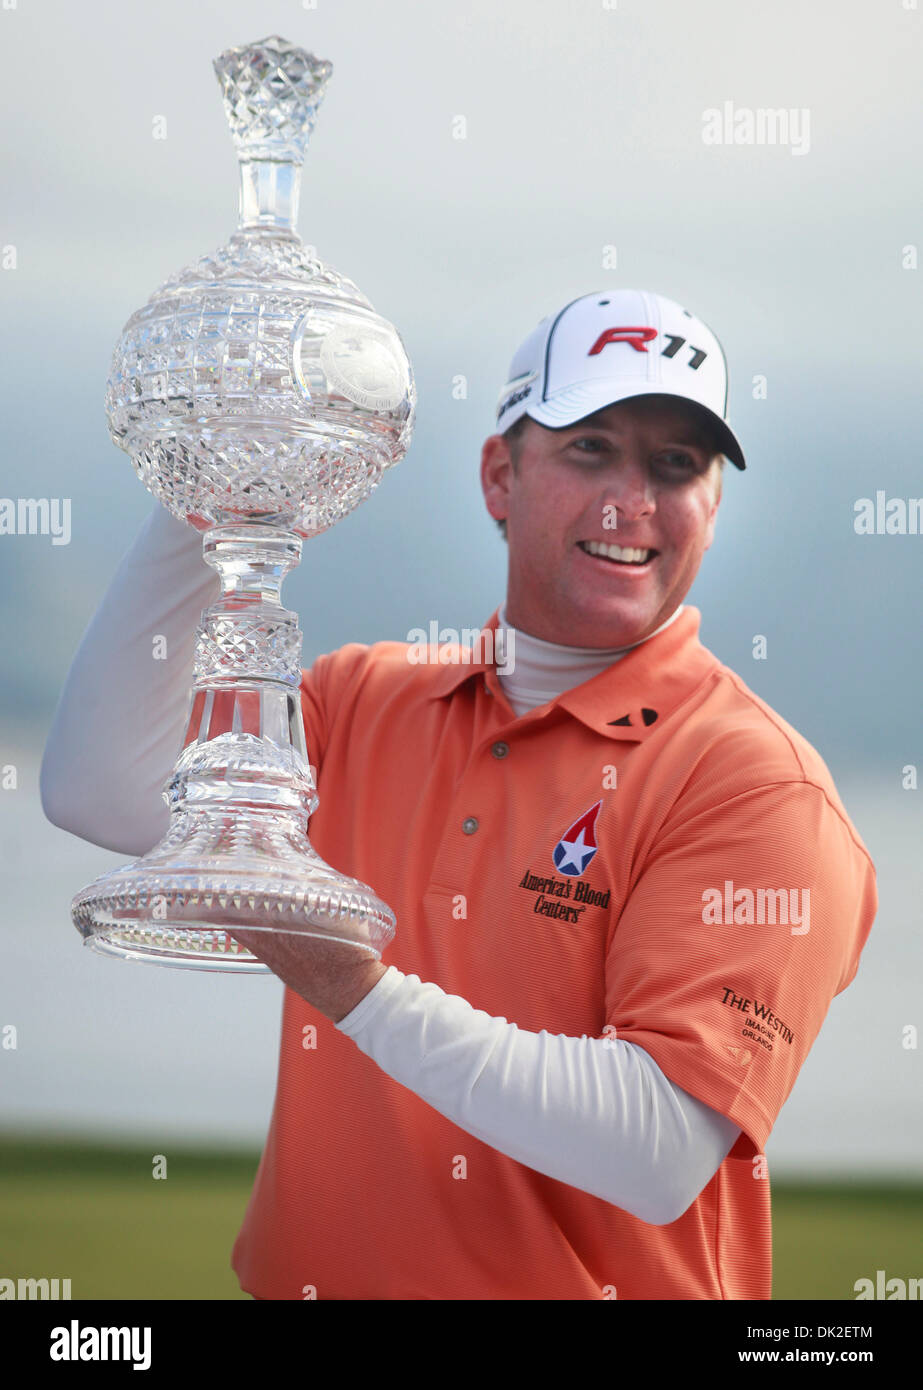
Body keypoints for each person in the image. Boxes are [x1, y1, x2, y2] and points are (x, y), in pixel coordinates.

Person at [40, 288, 877, 1300]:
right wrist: (222, 475)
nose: (629, 500)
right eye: (588, 448)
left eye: (674, 465)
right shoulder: (363, 699)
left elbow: (655, 1148)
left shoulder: (753, 785)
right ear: (497, 475)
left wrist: (353, 986)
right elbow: (99, 788)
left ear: (711, 504)